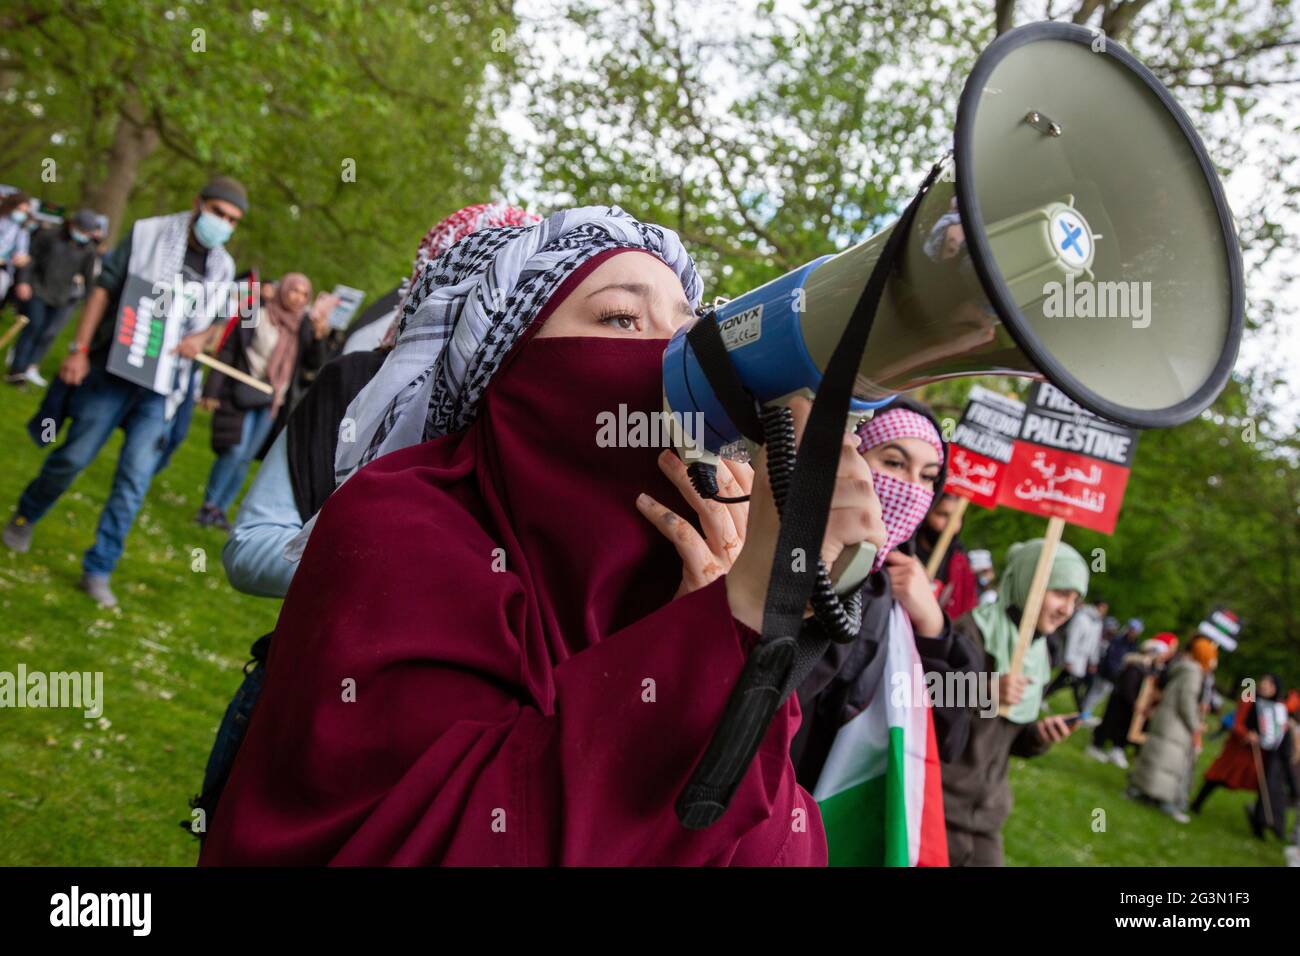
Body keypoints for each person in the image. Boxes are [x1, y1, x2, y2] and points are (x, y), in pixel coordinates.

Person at [200, 206, 857, 865]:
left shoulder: (697, 572)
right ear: (505, 368)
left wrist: (753, 632)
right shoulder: (399, 524)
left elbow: (774, 847)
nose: (674, 358)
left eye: (687, 328)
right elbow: (450, 840)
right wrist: (716, 642)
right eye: (621, 319)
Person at [188, 205, 540, 828]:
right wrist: (384, 571)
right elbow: (249, 549)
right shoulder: (354, 385)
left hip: (466, 765)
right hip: (304, 706)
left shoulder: (540, 430)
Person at [0, 176, 245, 608]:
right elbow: (103, 290)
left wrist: (200, 340)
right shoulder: (149, 233)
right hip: (113, 372)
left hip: (162, 389)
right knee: (73, 456)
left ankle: (99, 568)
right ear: (198, 204)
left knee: (134, 479)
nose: (222, 224)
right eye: (218, 213)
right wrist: (77, 349)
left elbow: (217, 322)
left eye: (231, 220)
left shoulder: (223, 267)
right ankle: (24, 516)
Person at [791, 398, 982, 866]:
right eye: (893, 463)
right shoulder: (786, 557)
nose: (911, 488)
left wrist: (933, 626)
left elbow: (952, 735)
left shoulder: (897, 591)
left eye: (929, 476)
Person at [940, 538, 1089, 866]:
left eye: (1075, 600)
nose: (1067, 609)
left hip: (986, 816)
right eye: (1060, 592)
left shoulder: (1039, 653)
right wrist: (986, 692)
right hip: (940, 806)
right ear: (1029, 580)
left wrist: (1037, 736)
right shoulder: (971, 630)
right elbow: (924, 696)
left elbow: (1006, 739)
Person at [194, 273, 334, 530]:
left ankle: (221, 509)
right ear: (284, 290)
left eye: (305, 294)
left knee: (246, 457)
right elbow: (228, 350)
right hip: (241, 392)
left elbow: (314, 364)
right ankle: (209, 504)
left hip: (273, 402)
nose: (299, 297)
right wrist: (211, 390)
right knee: (234, 451)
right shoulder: (255, 312)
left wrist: (318, 336)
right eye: (295, 291)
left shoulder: (303, 326)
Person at [1192, 671, 1297, 839]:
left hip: (1260, 753)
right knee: (1219, 777)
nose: (1264, 685)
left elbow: (1278, 730)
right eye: (1263, 681)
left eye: (1269, 684)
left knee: (1262, 787)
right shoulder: (1249, 697)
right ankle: (1197, 803)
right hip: (1240, 749)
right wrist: (1246, 734)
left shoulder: (1278, 708)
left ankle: (1258, 823)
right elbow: (1238, 722)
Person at [8, 208, 100, 387]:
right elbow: (31, 260)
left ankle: (30, 366)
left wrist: (91, 302)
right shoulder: (50, 236)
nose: (83, 235)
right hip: (39, 289)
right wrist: (24, 282)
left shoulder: (88, 250)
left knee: (48, 334)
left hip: (63, 297)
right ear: (72, 225)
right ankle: (17, 370)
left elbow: (89, 278)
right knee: (33, 327)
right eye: (81, 230)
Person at [1128, 638, 1218, 822]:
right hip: (1175, 726)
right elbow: (1186, 701)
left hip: (1166, 721)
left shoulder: (1184, 668)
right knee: (1167, 763)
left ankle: (1143, 791)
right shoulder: (1193, 673)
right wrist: (1195, 725)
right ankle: (1164, 800)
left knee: (1155, 758)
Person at [1085, 631, 1175, 769]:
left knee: (1121, 729)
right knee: (1110, 724)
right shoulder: (1136, 664)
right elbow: (1128, 686)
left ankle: (1116, 749)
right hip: (1121, 702)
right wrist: (1135, 703)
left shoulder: (1150, 668)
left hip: (1128, 704)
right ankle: (1096, 746)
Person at [913, 492, 979, 621]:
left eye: (957, 517)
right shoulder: (902, 553)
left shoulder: (962, 567)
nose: (951, 525)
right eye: (943, 515)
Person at [1044, 597, 1108, 711]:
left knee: (1063, 682)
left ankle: (1043, 697)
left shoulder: (1097, 623)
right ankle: (1081, 710)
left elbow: (1094, 643)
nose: (1104, 612)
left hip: (1083, 659)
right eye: (1103, 608)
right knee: (1073, 683)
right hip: (1075, 657)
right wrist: (1069, 658)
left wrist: (1093, 661)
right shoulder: (1082, 617)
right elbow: (1073, 638)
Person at [0, 191, 34, 306]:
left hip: (5, 268)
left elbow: (21, 252)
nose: (21, 214)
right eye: (19, 209)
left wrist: (23, 258)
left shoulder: (22, 229)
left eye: (25, 211)